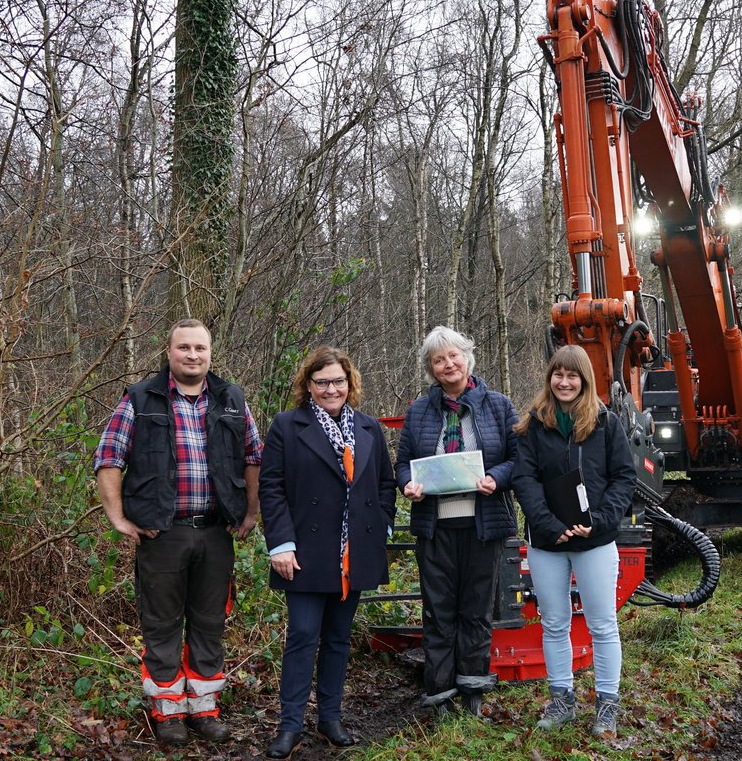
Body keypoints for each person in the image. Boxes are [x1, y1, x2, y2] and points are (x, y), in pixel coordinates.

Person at [94, 319, 262, 748]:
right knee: (162, 624)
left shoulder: (231, 399)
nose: (193, 355)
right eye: (184, 347)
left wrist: (250, 513)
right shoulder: (140, 399)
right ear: (169, 352)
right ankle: (167, 712)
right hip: (161, 534)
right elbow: (109, 458)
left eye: (200, 348)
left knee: (209, 622)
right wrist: (116, 517)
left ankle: (204, 708)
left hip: (215, 531)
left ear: (210, 353)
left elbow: (253, 459)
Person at [259, 347, 396, 760]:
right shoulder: (287, 425)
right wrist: (281, 544)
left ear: (349, 384)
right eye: (322, 382)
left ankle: (331, 718)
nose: (331, 388)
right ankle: (290, 725)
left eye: (338, 381)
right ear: (308, 386)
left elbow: (385, 485)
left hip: (354, 553)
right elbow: (271, 487)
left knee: (338, 639)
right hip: (303, 552)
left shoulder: (369, 428)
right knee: (302, 636)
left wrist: (380, 528)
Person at [511, 345, 636, 739]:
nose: (564, 382)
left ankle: (607, 706)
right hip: (547, 543)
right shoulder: (532, 425)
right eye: (558, 375)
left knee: (602, 625)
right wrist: (548, 524)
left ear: (584, 380)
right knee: (553, 623)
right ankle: (562, 699)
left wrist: (597, 522)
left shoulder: (606, 423)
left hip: (594, 542)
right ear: (549, 378)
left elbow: (624, 479)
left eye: (573, 376)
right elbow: (524, 480)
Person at [395, 326, 518, 717]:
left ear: (467, 358)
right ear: (431, 369)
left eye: (453, 356)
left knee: (476, 609)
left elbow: (518, 458)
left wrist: (496, 478)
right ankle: (439, 692)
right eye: (438, 359)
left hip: (484, 524)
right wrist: (408, 486)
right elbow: (401, 465)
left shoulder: (498, 406)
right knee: (438, 610)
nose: (447, 364)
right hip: (435, 527)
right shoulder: (418, 412)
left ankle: (473, 689)